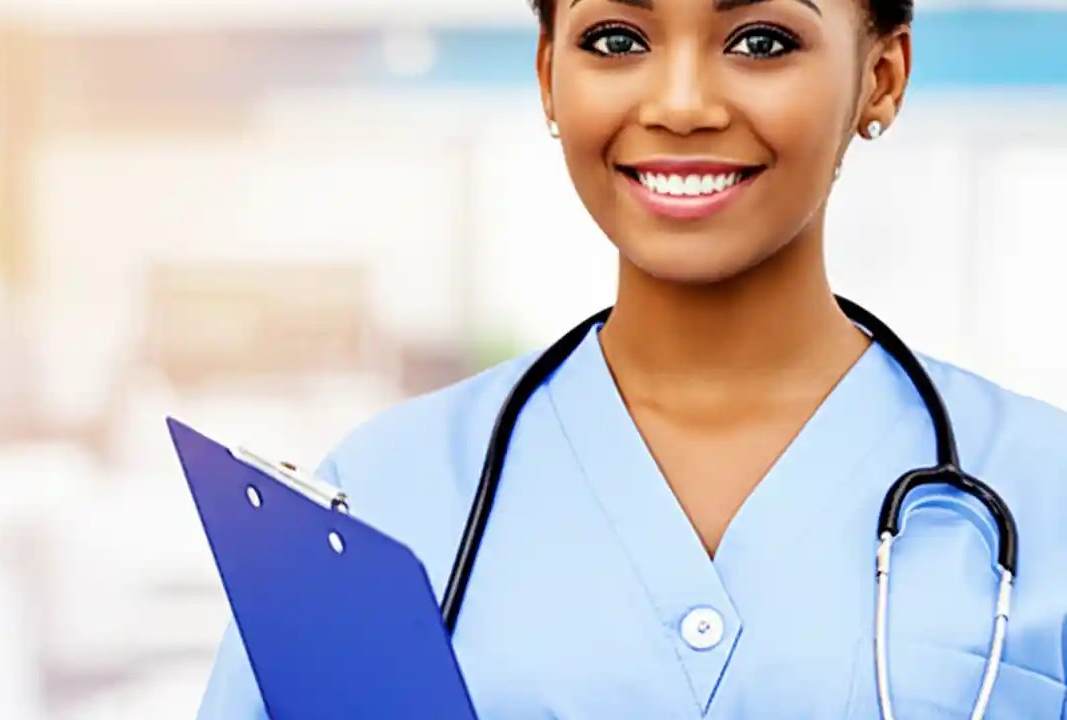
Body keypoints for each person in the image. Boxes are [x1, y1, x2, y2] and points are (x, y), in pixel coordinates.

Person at [198, 0, 1067, 716]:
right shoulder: (381, 494)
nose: (682, 103)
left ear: (880, 79)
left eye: (760, 41)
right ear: (548, 75)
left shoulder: (1048, 491)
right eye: (617, 40)